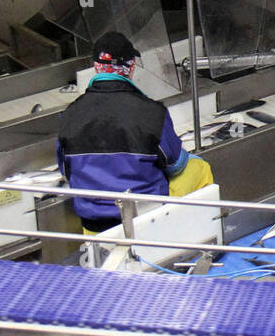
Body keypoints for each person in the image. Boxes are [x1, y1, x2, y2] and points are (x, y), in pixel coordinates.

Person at [56, 31, 209, 234]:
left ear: (96, 67)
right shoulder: (152, 113)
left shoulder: (69, 115)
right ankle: (189, 239)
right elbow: (176, 165)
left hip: (95, 225)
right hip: (143, 217)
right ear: (132, 67)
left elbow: (66, 171)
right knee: (200, 168)